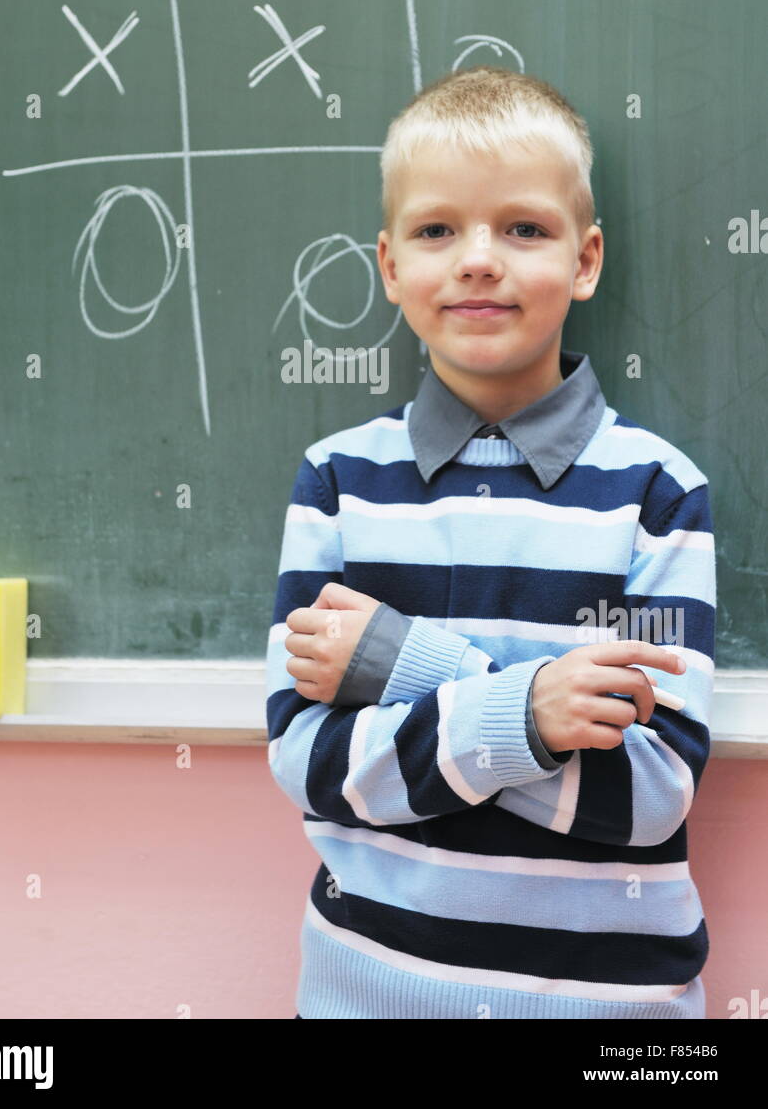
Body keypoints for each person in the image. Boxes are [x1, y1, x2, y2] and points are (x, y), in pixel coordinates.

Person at [266, 65, 715, 1019]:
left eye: (524, 228)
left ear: (585, 260)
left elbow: (645, 797)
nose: (477, 259)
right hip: (364, 998)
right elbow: (313, 772)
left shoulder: (658, 494)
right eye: (436, 230)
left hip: (617, 1019)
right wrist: (534, 714)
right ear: (390, 267)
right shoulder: (337, 484)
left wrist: (404, 667)